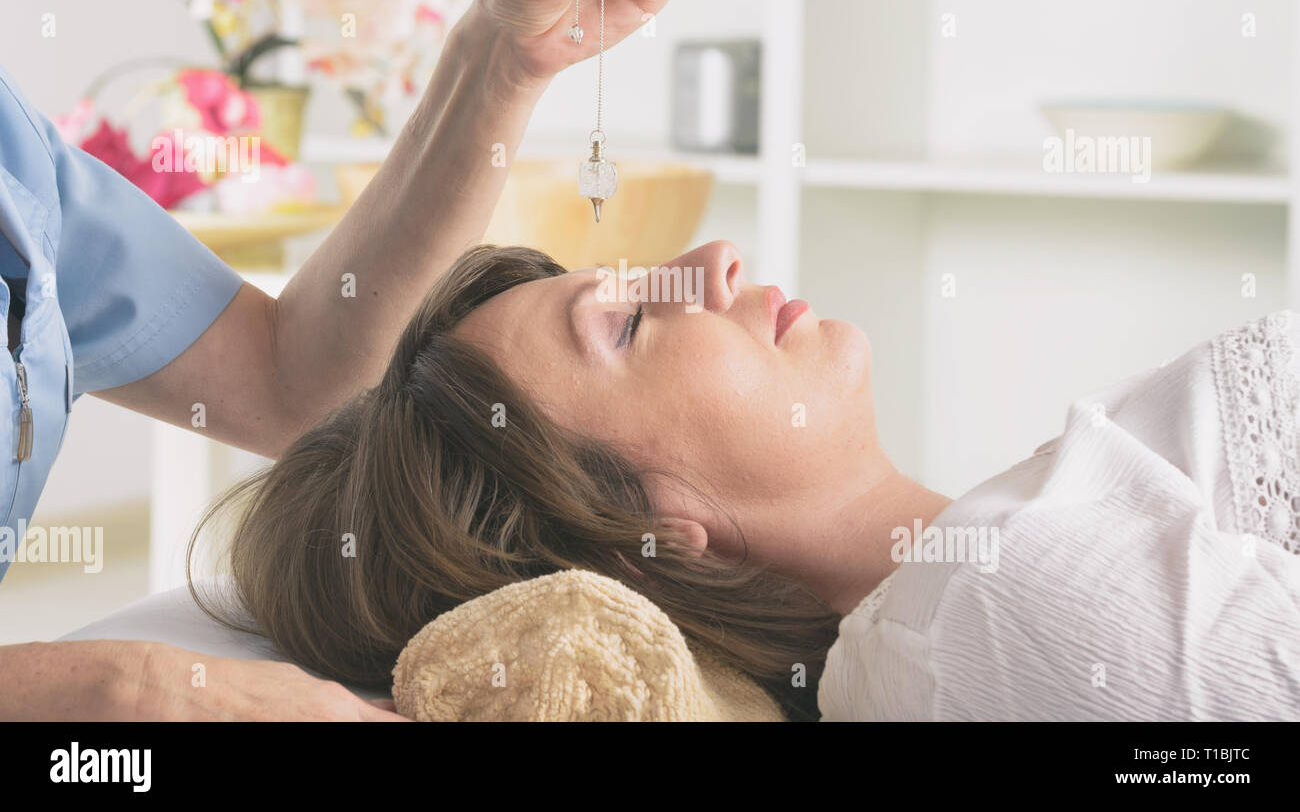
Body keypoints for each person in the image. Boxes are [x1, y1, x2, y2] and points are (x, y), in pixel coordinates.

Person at [0, 0, 709, 720]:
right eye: (622, 320)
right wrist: (131, 690)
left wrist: (500, 57)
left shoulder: (23, 167)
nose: (715, 265)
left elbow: (292, 377)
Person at [194, 242, 1300, 721]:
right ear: (655, 536)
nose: (716, 260)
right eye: (626, 322)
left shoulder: (986, 570)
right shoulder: (997, 607)